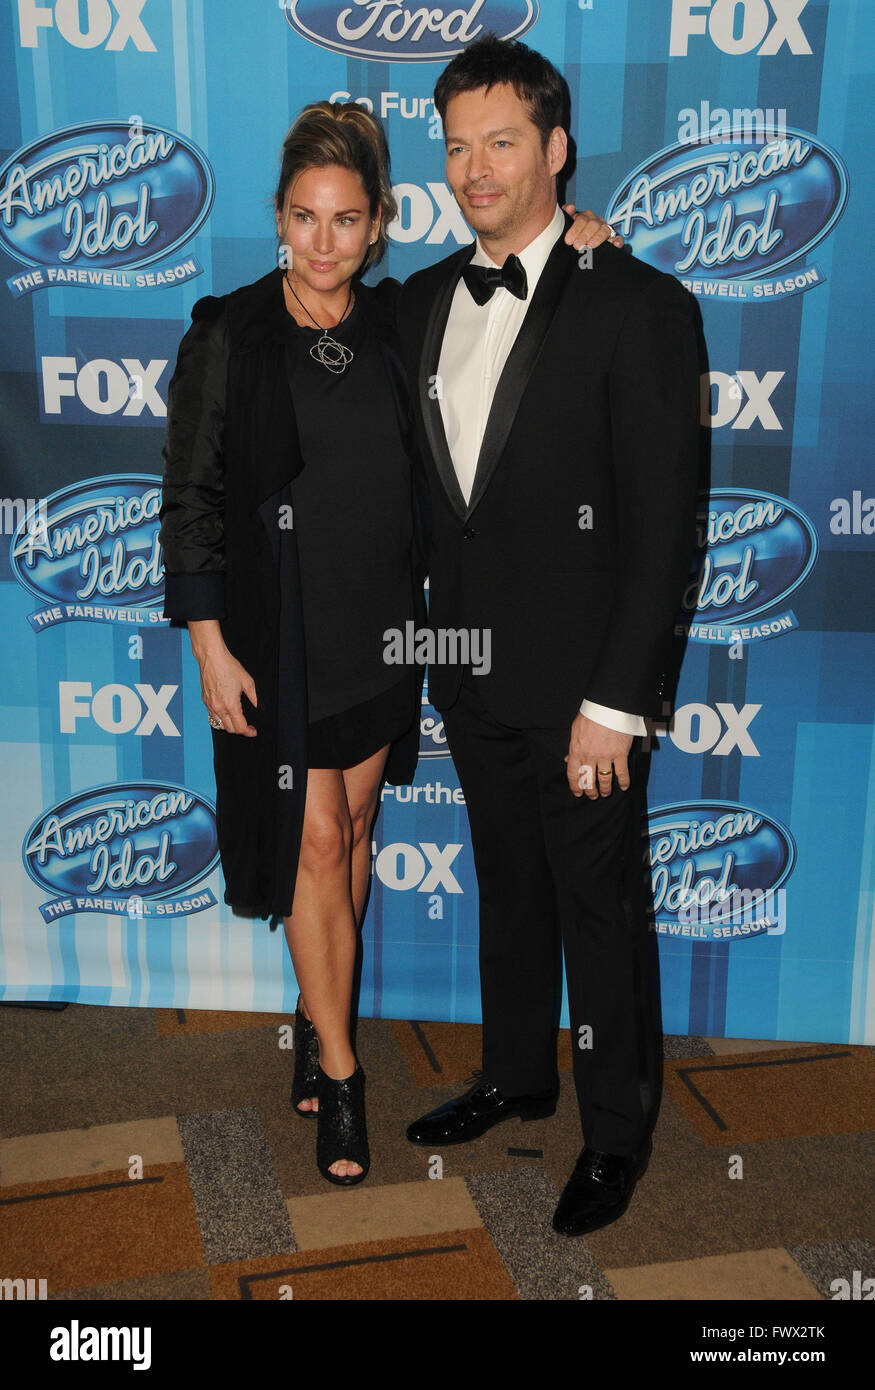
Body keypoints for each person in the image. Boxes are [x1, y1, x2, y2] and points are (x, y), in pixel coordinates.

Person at [159, 99, 616, 1188]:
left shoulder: (401, 317)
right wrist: (209, 646)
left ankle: (317, 1016)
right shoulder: (229, 332)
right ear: (277, 218)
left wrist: (587, 231)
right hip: (278, 638)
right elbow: (190, 501)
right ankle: (339, 1071)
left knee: (356, 832)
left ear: (377, 227)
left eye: (346, 220)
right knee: (314, 845)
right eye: (304, 218)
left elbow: (520, 258)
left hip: (382, 632)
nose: (323, 242)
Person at [397, 37, 702, 1235]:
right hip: (467, 674)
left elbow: (661, 527)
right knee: (508, 892)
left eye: (501, 143)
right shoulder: (420, 300)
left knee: (599, 908)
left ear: (555, 150)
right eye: (457, 145)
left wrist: (615, 703)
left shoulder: (639, 303)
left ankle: (614, 1130)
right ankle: (515, 1072)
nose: (474, 169)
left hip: (584, 692)